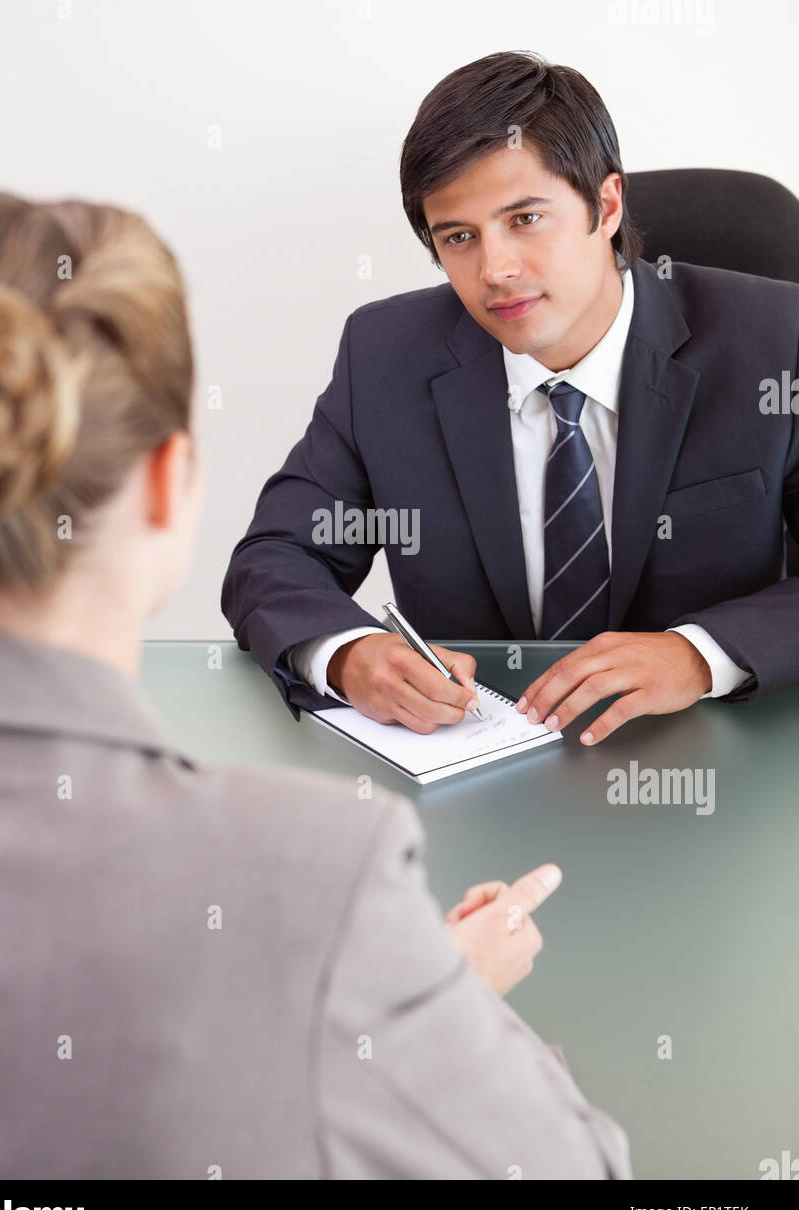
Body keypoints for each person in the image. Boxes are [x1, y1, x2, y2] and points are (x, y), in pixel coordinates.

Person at [0, 192, 630, 1179]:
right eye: (459, 236)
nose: (496, 267)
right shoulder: (314, 874)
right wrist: (434, 1004)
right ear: (172, 481)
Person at [222, 51, 799, 747]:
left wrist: (700, 655)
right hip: (479, 767)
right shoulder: (384, 356)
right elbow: (275, 556)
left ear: (606, 205)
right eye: (459, 237)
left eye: (525, 219)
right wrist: (346, 654)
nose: (495, 269)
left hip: (717, 763)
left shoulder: (774, 341)